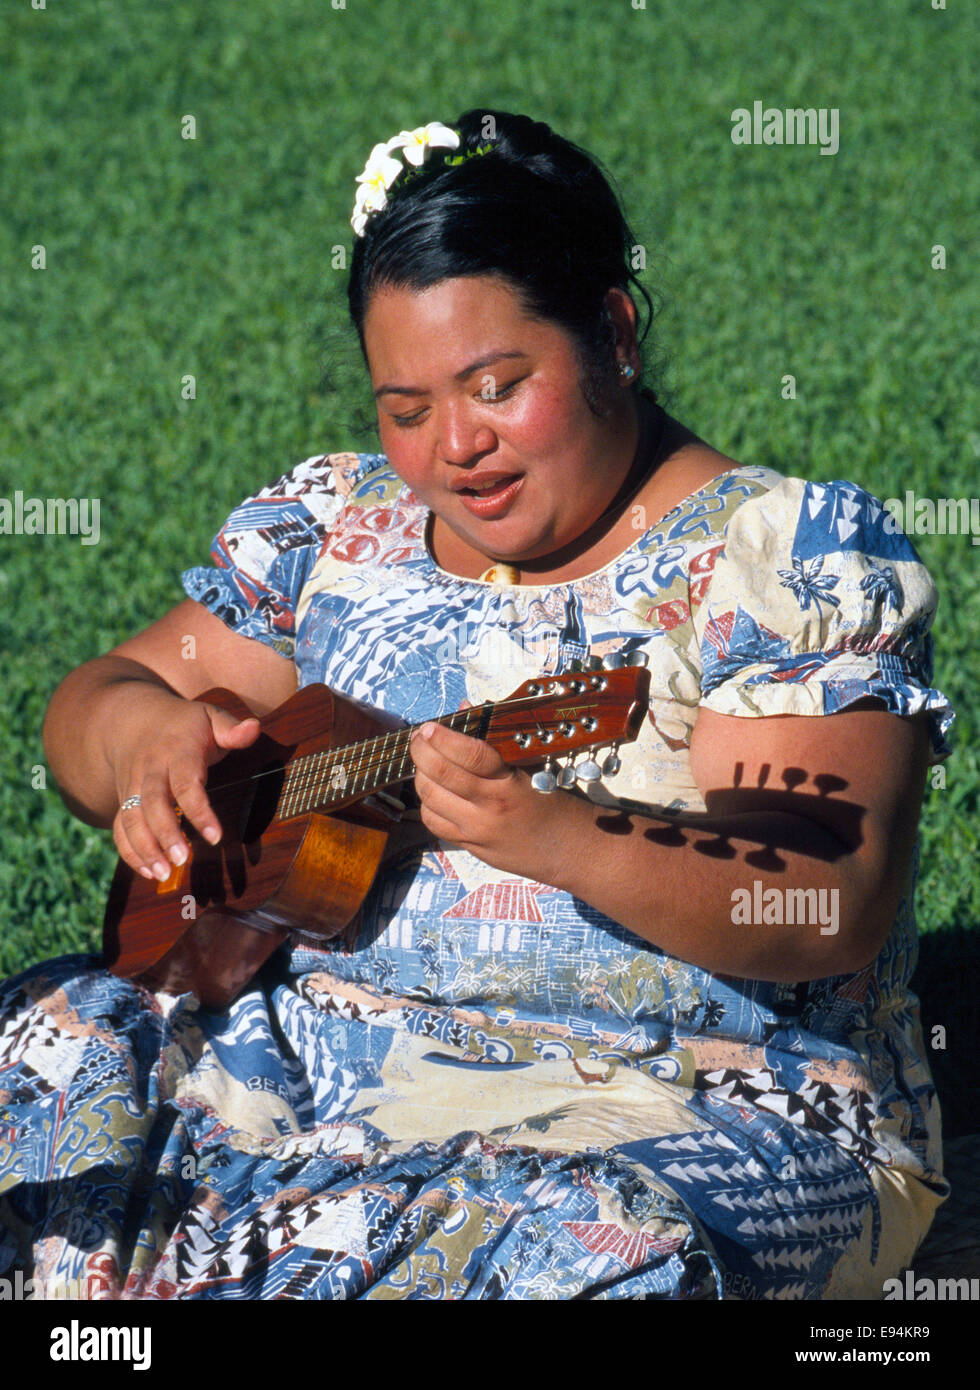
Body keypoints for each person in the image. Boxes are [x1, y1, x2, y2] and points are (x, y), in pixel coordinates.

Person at [0, 109, 954, 1301]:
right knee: (52, 1038)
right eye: (404, 408)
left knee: (583, 1248)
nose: (455, 446)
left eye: (497, 386)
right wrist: (147, 739)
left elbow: (828, 896)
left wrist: (557, 836)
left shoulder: (778, 554)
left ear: (611, 330)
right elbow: (93, 703)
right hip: (311, 1056)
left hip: (659, 1105)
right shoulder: (333, 526)